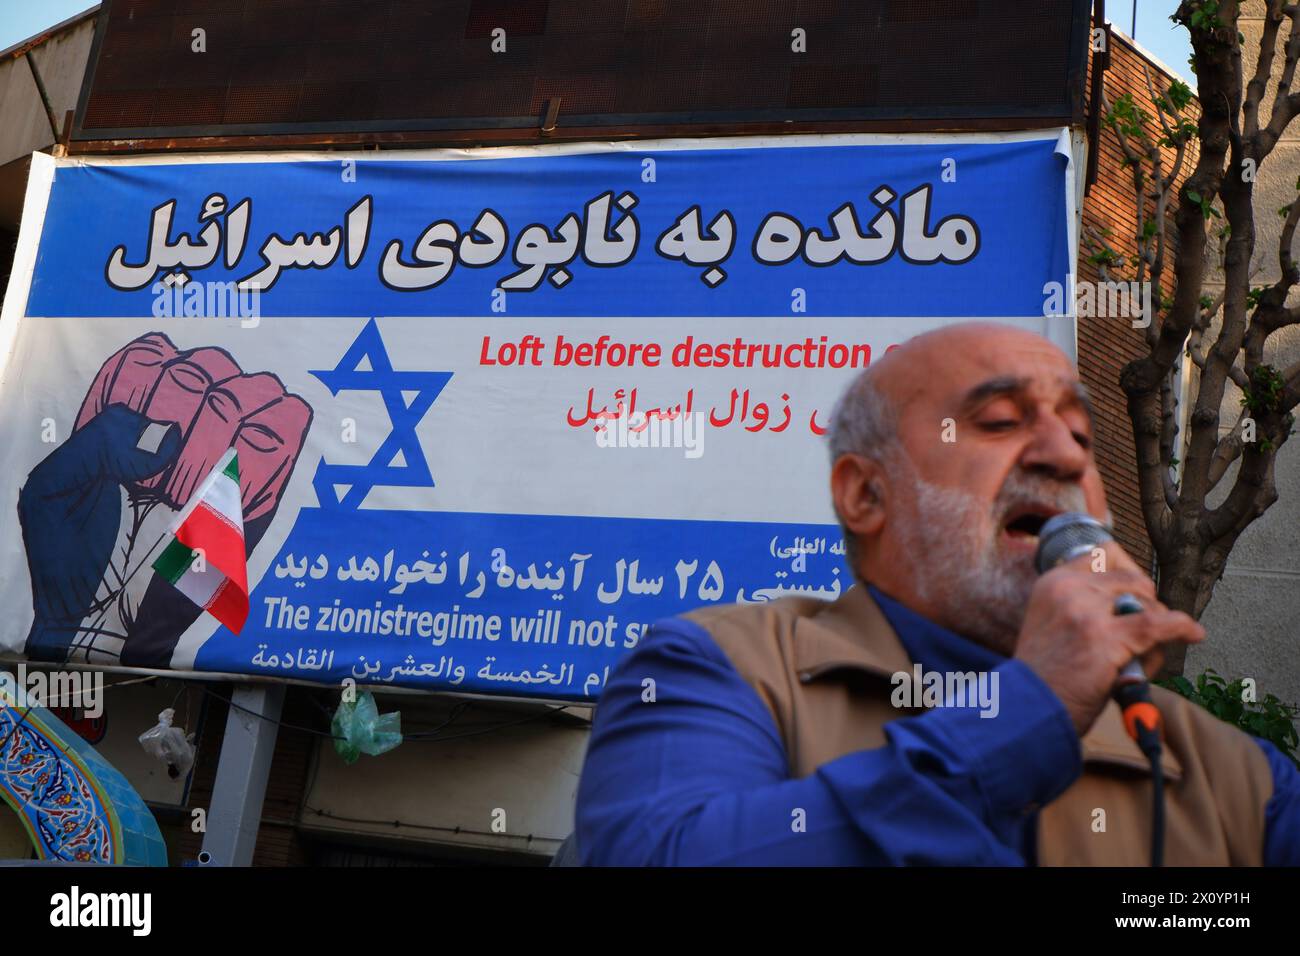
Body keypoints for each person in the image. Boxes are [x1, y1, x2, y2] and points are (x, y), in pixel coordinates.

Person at [573, 322, 1300, 865]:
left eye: (1080, 434)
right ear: (864, 494)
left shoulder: (1238, 779)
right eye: (998, 423)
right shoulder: (716, 670)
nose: (1063, 455)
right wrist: (1029, 712)